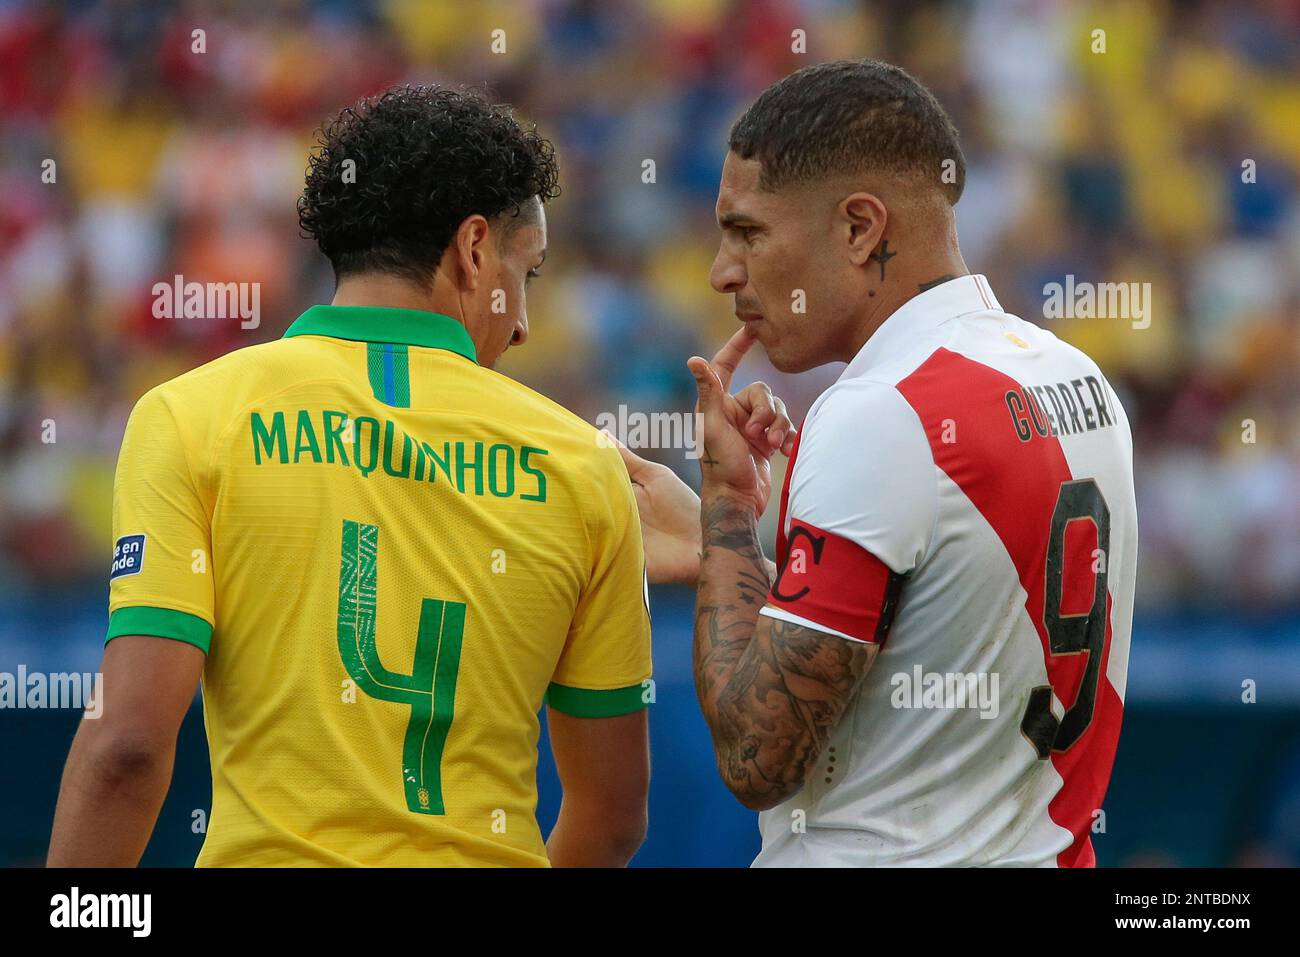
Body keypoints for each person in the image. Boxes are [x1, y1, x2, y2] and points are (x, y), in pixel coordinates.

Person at [47, 85, 783, 867]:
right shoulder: (585, 464)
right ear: (472, 250)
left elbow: (126, 745)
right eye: (526, 273)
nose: (527, 323)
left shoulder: (190, 415)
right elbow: (610, 818)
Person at [688, 59, 1138, 867]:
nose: (723, 271)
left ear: (860, 229)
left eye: (747, 231)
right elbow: (934, 616)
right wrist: (723, 550)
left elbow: (757, 753)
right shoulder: (1078, 377)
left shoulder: (883, 413)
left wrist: (724, 507)